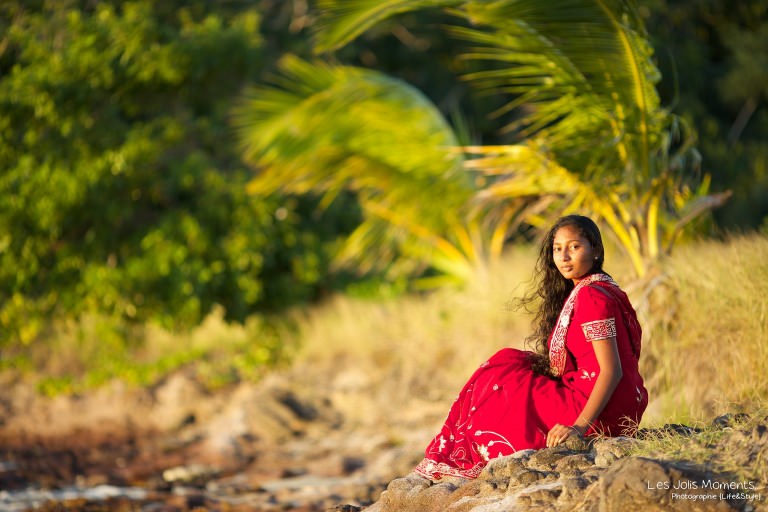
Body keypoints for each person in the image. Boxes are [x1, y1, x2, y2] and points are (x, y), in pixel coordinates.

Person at [414, 214, 648, 480]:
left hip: (601, 409)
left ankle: (454, 460)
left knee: (501, 383)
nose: (564, 257)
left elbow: (611, 370)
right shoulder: (603, 287)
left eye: (574, 246)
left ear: (595, 250)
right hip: (618, 401)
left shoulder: (593, 297)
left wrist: (579, 428)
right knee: (509, 363)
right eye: (557, 249)